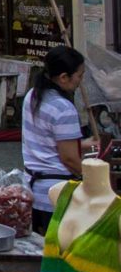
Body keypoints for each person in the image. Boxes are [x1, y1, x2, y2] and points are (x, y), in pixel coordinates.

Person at [23, 45, 97, 234]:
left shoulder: (32, 95)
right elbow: (69, 159)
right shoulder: (63, 108)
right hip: (57, 192)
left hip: (33, 188)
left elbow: (46, 139)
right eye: (79, 76)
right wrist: (96, 182)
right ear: (64, 77)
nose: (80, 82)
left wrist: (83, 144)